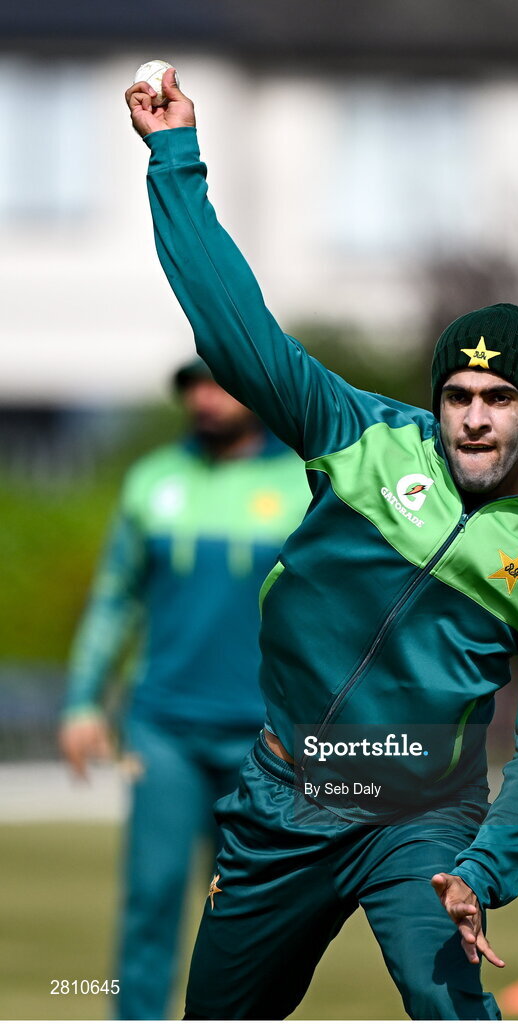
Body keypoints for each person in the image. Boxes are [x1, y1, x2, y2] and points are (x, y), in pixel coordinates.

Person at [124, 70, 518, 1021]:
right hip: (283, 797)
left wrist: (490, 863)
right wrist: (176, 157)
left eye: (500, 398)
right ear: (437, 401)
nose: (474, 419)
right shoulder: (359, 438)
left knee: (448, 1009)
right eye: (459, 396)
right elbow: (240, 336)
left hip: (422, 820)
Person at [59, 358, 311, 1020]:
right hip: (161, 727)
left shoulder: (304, 482)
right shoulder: (153, 480)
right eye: (194, 386)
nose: (206, 398)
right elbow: (114, 598)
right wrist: (84, 700)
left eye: (220, 383)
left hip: (266, 736)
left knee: (249, 912)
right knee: (151, 898)